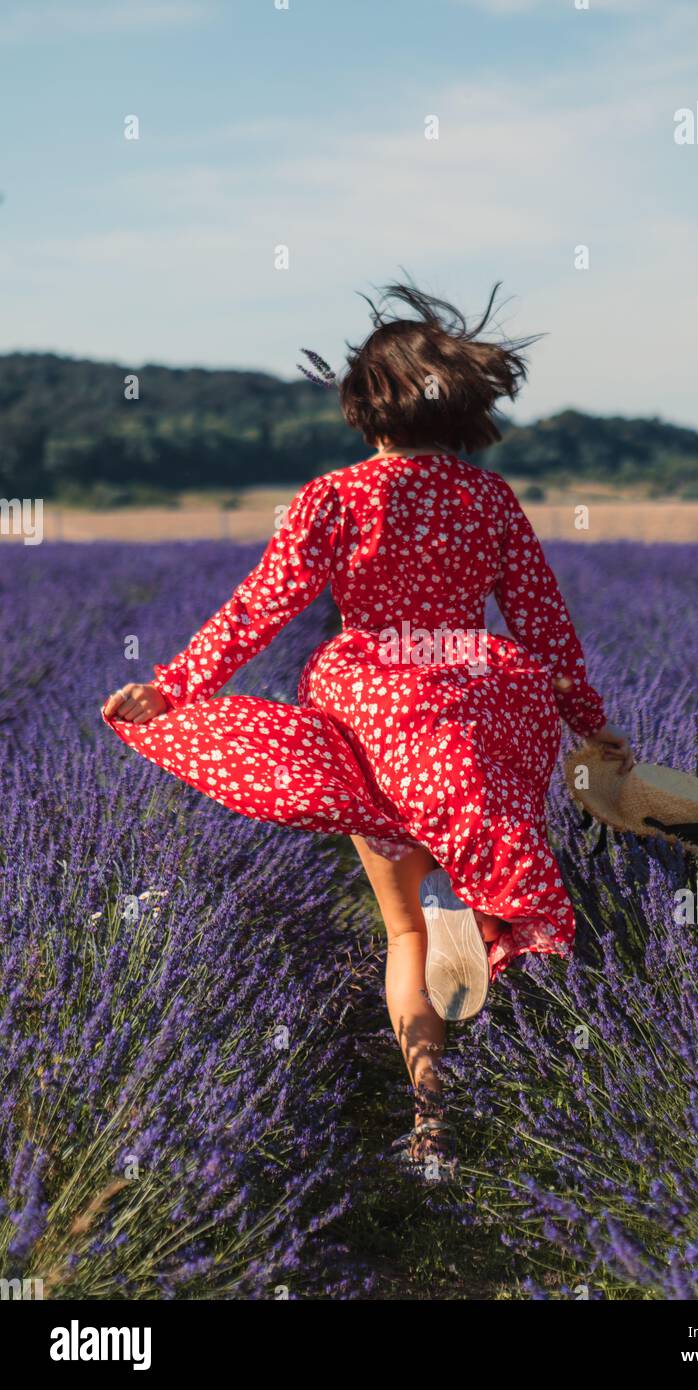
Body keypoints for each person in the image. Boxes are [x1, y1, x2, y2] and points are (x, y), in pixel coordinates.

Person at [102, 281, 634, 1173]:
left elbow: (257, 610)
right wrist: (592, 728)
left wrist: (171, 686)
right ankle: (502, 971)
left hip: (381, 712)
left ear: (366, 406)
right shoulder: (490, 501)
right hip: (482, 707)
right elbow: (545, 627)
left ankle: (432, 1118)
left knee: (405, 933)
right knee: (481, 880)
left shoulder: (334, 498)